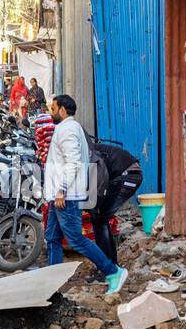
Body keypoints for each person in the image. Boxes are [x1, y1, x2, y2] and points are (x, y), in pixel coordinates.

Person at [43, 94, 128, 295]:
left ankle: (113, 271)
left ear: (63, 110)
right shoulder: (67, 129)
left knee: (75, 239)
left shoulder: (69, 130)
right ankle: (51, 283)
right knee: (52, 237)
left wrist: (62, 189)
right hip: (59, 195)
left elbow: (73, 162)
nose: (51, 112)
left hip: (66, 196)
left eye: (53, 108)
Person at [88, 137, 144, 265]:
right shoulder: (90, 150)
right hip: (127, 174)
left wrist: (94, 204)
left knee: (99, 219)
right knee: (100, 218)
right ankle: (110, 264)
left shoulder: (89, 154)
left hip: (127, 175)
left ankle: (108, 267)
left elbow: (99, 181)